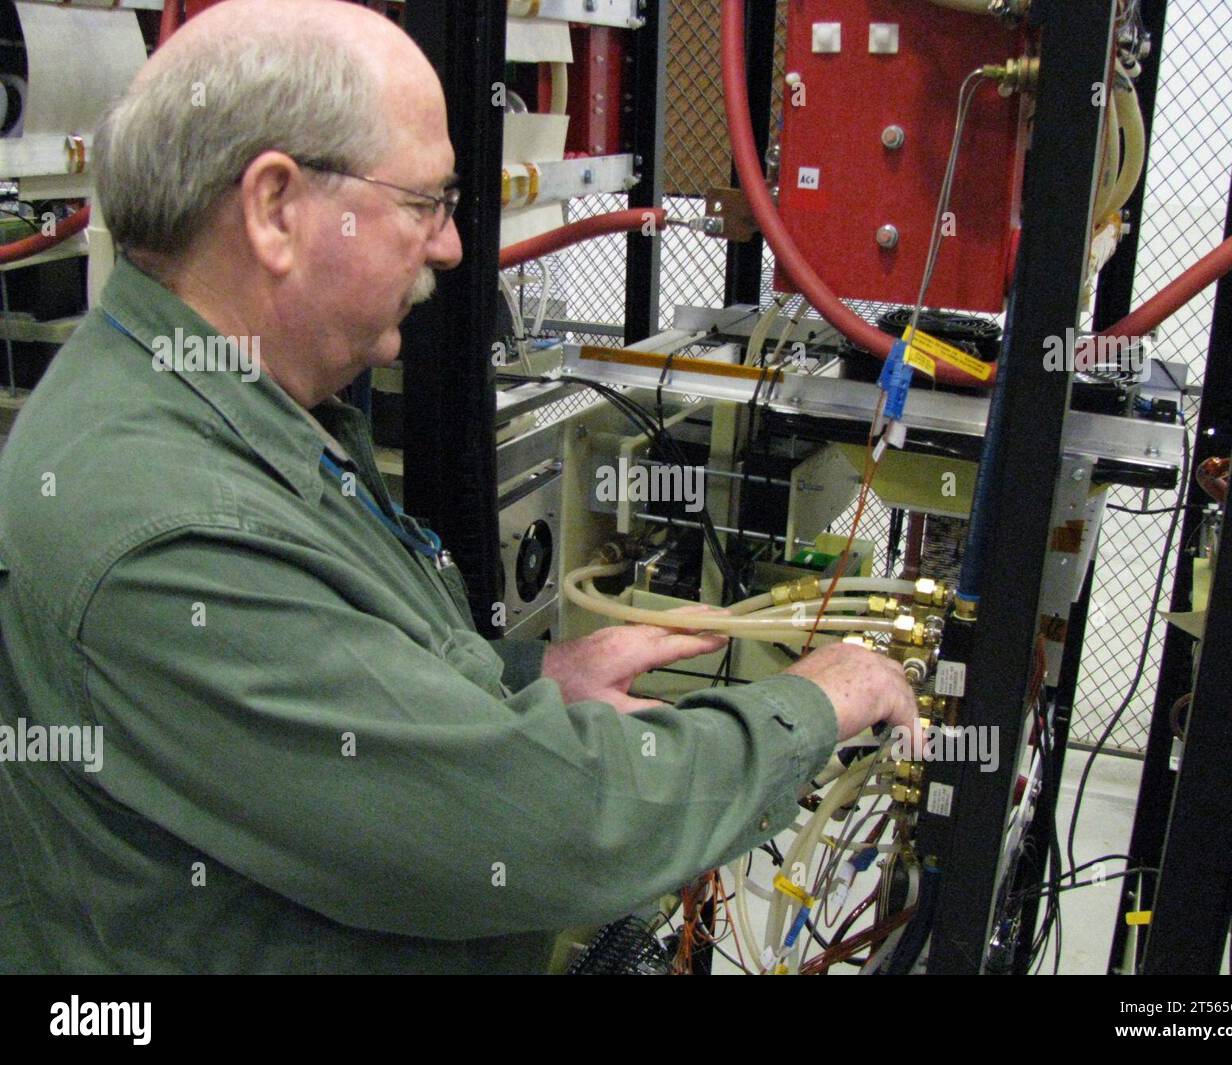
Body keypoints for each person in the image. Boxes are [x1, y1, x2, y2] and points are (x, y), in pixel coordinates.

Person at [0, 0, 916, 974]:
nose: (447, 246)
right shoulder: (172, 521)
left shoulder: (242, 399)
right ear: (274, 211)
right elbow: (549, 826)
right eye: (422, 204)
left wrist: (527, 684)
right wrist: (812, 704)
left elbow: (340, 676)